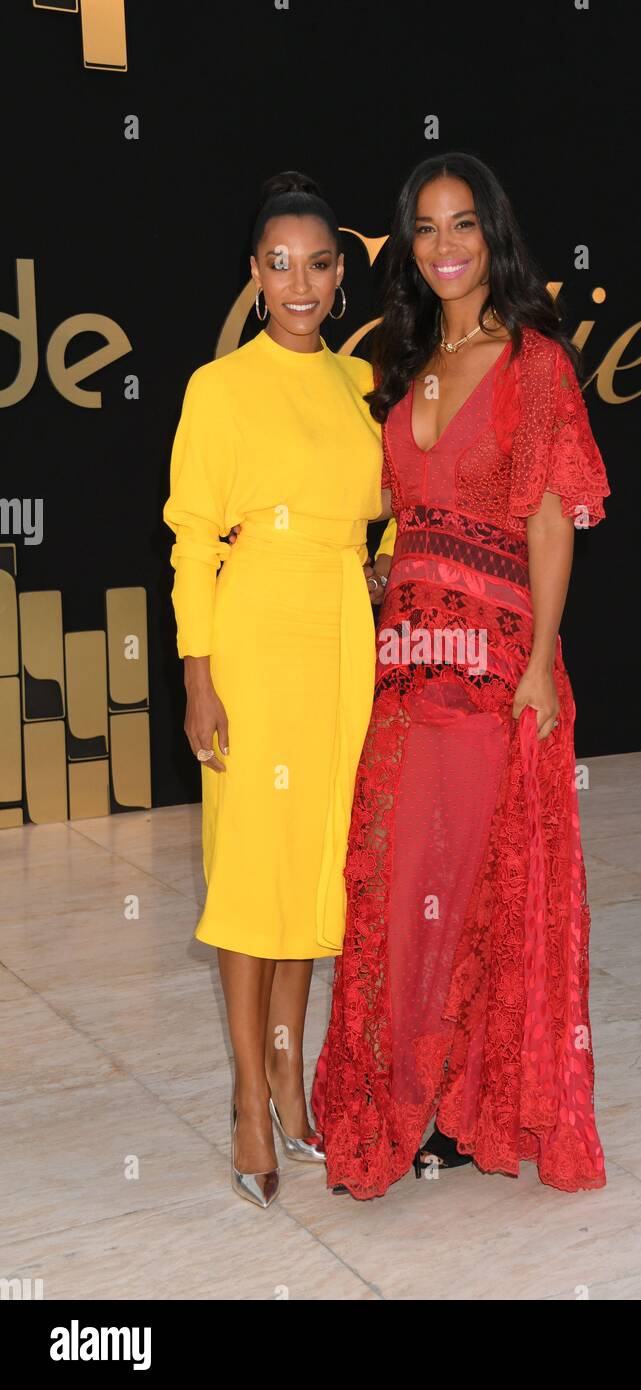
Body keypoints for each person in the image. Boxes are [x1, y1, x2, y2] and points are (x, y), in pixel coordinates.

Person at [311, 152, 611, 1198]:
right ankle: (407, 1097)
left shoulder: (534, 364)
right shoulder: (403, 362)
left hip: (493, 673)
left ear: (492, 239)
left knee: (483, 887)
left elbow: (550, 520)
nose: (443, 248)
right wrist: (386, 564)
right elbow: (413, 507)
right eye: (425, 230)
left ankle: (464, 1106)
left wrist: (538, 665)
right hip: (404, 673)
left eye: (461, 227)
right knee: (403, 888)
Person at [163, 171, 388, 1207]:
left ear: (342, 277)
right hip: (253, 637)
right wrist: (198, 680)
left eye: (318, 263)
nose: (299, 283)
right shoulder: (220, 388)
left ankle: (293, 1087)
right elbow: (192, 543)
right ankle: (249, 1101)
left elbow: (373, 518)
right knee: (253, 883)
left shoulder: (354, 386)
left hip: (341, 640)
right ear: (253, 277)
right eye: (278, 263)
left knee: (310, 883)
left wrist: (379, 572)